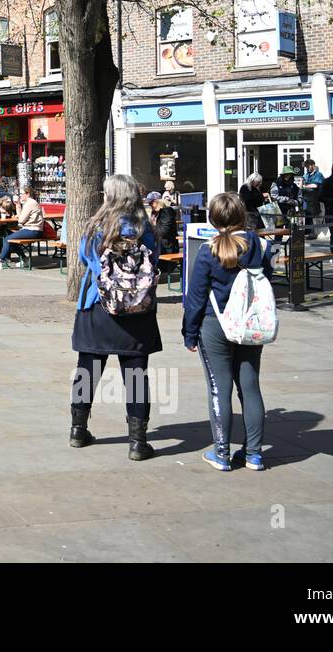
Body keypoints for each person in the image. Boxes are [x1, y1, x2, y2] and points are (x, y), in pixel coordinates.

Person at [69, 173, 162, 462]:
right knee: (135, 376)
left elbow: (85, 258)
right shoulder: (145, 228)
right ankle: (137, 442)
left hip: (97, 305)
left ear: (109, 196)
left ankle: (78, 430)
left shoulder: (96, 226)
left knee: (87, 369)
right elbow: (156, 259)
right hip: (136, 310)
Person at [182, 191, 272, 471]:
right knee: (250, 385)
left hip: (214, 323)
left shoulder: (209, 250)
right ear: (242, 216)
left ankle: (222, 452)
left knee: (219, 388)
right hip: (250, 324)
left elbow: (195, 297)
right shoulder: (260, 246)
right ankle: (254, 453)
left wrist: (189, 332)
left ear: (212, 218)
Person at [0, 186, 45, 270]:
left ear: (27, 194)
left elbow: (21, 220)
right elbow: (20, 216)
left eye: (22, 194)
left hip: (33, 230)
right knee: (11, 237)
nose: (20, 195)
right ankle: (25, 260)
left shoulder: (30, 203)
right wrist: (17, 204)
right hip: (32, 229)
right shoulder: (29, 202)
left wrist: (20, 216)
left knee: (7, 239)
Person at [300, 158, 324, 227]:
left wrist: (305, 186)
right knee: (307, 214)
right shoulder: (306, 175)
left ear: (313, 165)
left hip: (315, 199)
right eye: (306, 167)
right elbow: (300, 187)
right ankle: (308, 232)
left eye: (308, 166)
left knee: (315, 215)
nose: (307, 168)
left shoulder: (318, 174)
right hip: (306, 199)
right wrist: (301, 181)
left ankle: (314, 232)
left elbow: (315, 185)